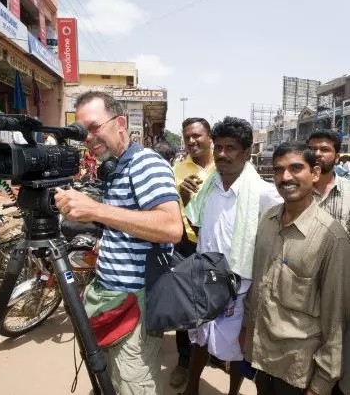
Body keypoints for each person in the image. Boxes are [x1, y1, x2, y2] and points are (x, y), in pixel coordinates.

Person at [54, 91, 183, 395]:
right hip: (110, 294)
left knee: (132, 384)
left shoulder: (146, 164)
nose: (88, 137)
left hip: (135, 300)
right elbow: (125, 222)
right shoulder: (114, 166)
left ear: (120, 123)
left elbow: (171, 227)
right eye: (82, 131)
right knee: (109, 378)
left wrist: (96, 209)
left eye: (95, 127)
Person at [181, 116, 281, 395]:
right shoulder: (205, 188)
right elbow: (200, 227)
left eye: (231, 148)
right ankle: (191, 389)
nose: (222, 154)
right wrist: (187, 199)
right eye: (219, 147)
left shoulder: (264, 194)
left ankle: (233, 392)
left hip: (239, 286)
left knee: (238, 348)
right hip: (204, 280)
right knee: (199, 338)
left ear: (247, 152)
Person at [243, 141, 350, 395]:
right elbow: (259, 287)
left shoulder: (332, 238)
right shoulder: (267, 221)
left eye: (295, 168)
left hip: (299, 372)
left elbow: (336, 321)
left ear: (314, 173)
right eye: (279, 170)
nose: (285, 177)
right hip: (263, 358)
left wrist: (321, 384)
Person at [169, 118, 215, 388]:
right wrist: (182, 196)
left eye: (197, 136)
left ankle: (217, 353)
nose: (192, 141)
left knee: (219, 301)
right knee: (185, 306)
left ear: (209, 136)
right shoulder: (177, 169)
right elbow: (171, 212)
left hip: (220, 246)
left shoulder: (226, 166)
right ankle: (184, 361)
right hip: (187, 244)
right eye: (187, 137)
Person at [306, 130, 350, 395]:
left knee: (337, 354)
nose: (319, 154)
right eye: (313, 148)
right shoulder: (296, 192)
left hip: (341, 288)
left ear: (336, 154)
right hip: (304, 288)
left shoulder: (349, 193)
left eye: (325, 149)